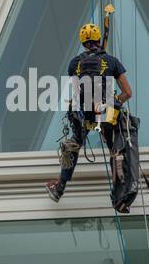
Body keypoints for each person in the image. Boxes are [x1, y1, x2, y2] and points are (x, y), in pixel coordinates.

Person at [45, 22, 136, 210]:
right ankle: (120, 196)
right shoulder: (111, 61)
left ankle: (60, 187)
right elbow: (127, 92)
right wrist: (113, 103)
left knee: (74, 144)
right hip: (106, 110)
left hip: (83, 113)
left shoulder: (74, 64)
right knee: (116, 150)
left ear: (83, 42)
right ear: (97, 40)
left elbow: (78, 93)